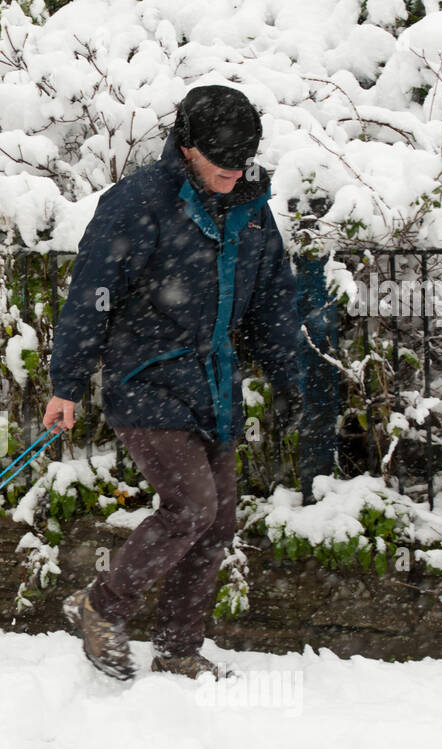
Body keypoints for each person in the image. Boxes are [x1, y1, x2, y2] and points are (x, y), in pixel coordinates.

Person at [43, 84, 305, 681]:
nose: (234, 174)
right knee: (191, 507)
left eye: (243, 162)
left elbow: (272, 299)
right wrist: (69, 382)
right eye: (221, 161)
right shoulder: (137, 202)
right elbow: (92, 295)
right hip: (144, 377)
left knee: (218, 522)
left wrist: (290, 378)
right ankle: (102, 608)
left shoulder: (249, 207)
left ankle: (178, 649)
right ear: (187, 146)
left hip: (211, 383)